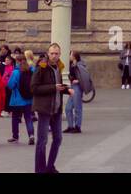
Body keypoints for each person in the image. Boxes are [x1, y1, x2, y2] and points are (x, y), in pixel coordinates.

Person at [31, 45, 66, 174]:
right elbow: (34, 88)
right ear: (48, 53)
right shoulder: (42, 67)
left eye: (56, 53)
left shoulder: (59, 67)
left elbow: (58, 88)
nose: (54, 56)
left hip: (56, 109)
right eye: (52, 53)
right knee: (42, 141)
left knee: (58, 139)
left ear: (60, 54)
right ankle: (40, 170)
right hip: (44, 109)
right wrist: (53, 87)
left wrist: (67, 90)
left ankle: (50, 167)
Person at [6, 54, 34, 144]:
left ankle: (15, 136)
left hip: (17, 100)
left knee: (15, 118)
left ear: (17, 62)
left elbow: (10, 85)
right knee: (28, 118)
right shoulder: (31, 70)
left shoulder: (16, 72)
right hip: (28, 99)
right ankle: (31, 135)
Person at [64, 50, 86, 133]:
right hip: (72, 86)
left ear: (74, 56)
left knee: (77, 107)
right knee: (68, 108)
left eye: (70, 55)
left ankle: (77, 127)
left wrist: (78, 81)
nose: (69, 56)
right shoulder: (71, 64)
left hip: (78, 87)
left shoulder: (80, 65)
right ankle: (70, 126)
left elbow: (85, 77)